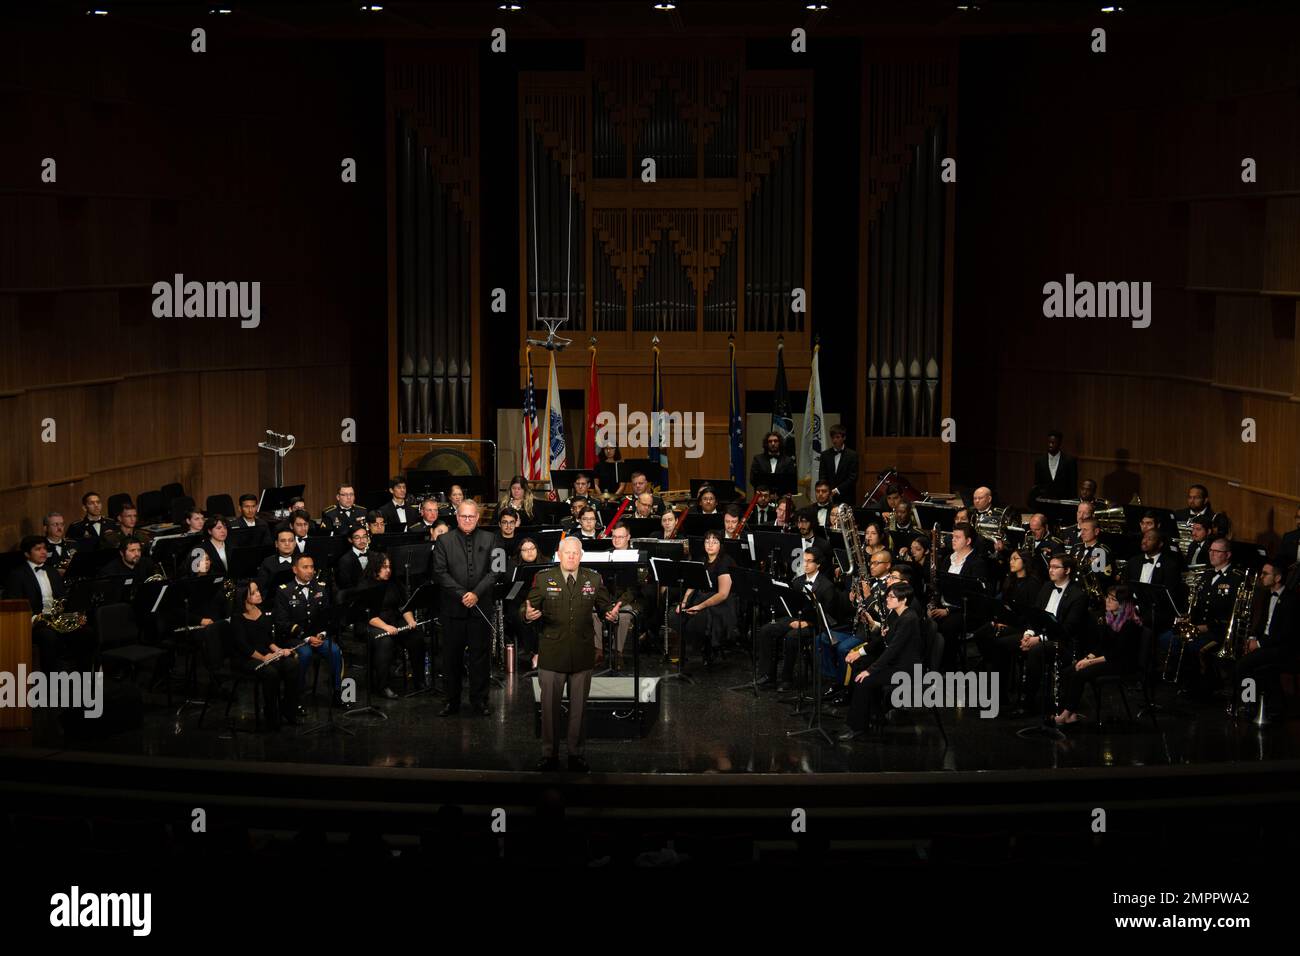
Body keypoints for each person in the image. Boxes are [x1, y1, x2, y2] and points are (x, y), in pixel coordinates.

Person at [523, 537, 621, 772]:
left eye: (575, 553)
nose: (571, 557)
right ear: (559, 553)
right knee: (549, 709)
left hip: (581, 653)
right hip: (552, 652)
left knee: (579, 709)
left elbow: (606, 607)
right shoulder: (544, 579)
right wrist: (527, 615)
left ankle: (576, 754)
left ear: (581, 555)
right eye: (567, 553)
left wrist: (611, 615)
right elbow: (526, 607)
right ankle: (550, 755)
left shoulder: (593, 579)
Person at [431, 500, 498, 716]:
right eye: (463, 516)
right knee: (451, 658)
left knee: (480, 657)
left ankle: (480, 701)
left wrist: (476, 593)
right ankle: (451, 701)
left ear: (478, 517)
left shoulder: (492, 539)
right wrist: (463, 595)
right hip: (452, 609)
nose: (467, 520)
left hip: (481, 608)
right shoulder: (443, 541)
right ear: (457, 517)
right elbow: (439, 573)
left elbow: (498, 570)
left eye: (471, 516)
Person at [838, 582, 924, 741]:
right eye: (888, 596)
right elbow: (882, 639)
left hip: (906, 668)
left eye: (892, 597)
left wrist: (871, 670)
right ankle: (874, 713)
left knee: (864, 680)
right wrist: (860, 653)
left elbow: (893, 650)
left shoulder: (909, 619)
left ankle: (857, 727)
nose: (887, 600)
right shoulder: (895, 614)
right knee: (859, 664)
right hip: (896, 661)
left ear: (903, 600)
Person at [1053, 585, 1142, 726]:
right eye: (1108, 597)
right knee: (1068, 671)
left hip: (1122, 663)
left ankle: (1065, 714)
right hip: (1109, 658)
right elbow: (1102, 645)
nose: (1107, 601)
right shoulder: (1110, 618)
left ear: (1123, 604)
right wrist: (1087, 658)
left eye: (1112, 599)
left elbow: (1116, 654)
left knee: (1079, 673)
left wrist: (1089, 663)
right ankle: (1070, 713)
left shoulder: (1130, 624)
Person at [755, 546, 840, 690]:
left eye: (809, 561)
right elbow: (791, 605)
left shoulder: (827, 586)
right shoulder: (798, 582)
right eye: (803, 561)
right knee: (766, 629)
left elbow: (828, 616)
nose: (805, 565)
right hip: (795, 617)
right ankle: (768, 675)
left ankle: (786, 678)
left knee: (792, 636)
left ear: (818, 564)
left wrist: (806, 623)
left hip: (814, 624)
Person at [5, 536, 93, 671]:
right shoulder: (17, 575)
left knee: (85, 632)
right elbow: (15, 605)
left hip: (56, 619)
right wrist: (36, 619)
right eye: (38, 549)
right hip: (35, 622)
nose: (43, 552)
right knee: (48, 637)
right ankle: (50, 681)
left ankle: (84, 678)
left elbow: (63, 598)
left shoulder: (52, 571)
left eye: (45, 549)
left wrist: (72, 615)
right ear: (27, 554)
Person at [273, 553, 345, 708]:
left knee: (335, 650)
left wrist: (322, 633)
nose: (310, 571)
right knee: (304, 654)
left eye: (312, 567)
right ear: (295, 569)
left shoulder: (320, 587)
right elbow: (282, 623)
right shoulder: (283, 591)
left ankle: (338, 693)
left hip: (318, 635)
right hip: (295, 637)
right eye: (305, 567)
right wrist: (306, 637)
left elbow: (326, 616)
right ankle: (296, 697)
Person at [1231, 559, 1298, 724]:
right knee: (1246, 662)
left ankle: (1250, 704)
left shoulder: (1292, 600)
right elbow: (1262, 623)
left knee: (1243, 665)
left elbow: (1286, 633)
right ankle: (1258, 703)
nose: (1261, 576)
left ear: (1278, 578)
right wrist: (1252, 638)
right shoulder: (1267, 595)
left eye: (1265, 574)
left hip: (1282, 648)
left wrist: (1259, 644)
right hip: (1266, 644)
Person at [230, 582, 301, 730]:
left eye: (258, 590)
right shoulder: (237, 618)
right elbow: (243, 647)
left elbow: (267, 639)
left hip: (265, 653)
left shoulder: (260, 611)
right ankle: (271, 712)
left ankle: (288, 708)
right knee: (271, 672)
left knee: (292, 664)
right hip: (246, 659)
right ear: (244, 597)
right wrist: (264, 658)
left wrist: (279, 650)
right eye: (254, 592)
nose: (259, 594)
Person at [360, 554, 428, 698]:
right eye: (384, 567)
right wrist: (386, 627)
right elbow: (369, 615)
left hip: (394, 620)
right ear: (375, 568)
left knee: (417, 637)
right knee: (385, 642)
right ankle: (382, 686)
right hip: (374, 623)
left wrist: (410, 620)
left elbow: (404, 605)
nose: (388, 570)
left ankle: (419, 680)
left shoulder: (394, 583)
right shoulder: (365, 585)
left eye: (389, 567)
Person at [668, 529, 736, 665]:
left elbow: (723, 594)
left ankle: (706, 649)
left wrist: (700, 606)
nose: (710, 545)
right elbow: (693, 583)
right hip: (700, 597)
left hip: (718, 604)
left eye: (714, 542)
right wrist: (685, 601)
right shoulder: (702, 559)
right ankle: (682, 650)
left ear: (720, 545)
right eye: (707, 541)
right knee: (673, 615)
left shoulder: (725, 562)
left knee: (697, 620)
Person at [1030, 430, 1078, 503]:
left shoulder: (1070, 461)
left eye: (1053, 443)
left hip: (1063, 502)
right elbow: (1037, 484)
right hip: (1045, 501)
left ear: (1059, 443)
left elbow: (1073, 485)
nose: (1050, 445)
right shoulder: (1040, 461)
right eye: (1049, 442)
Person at [818, 424, 859, 501]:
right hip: (828, 496)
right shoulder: (825, 455)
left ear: (844, 438)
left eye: (837, 437)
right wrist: (826, 491)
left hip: (846, 496)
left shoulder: (852, 455)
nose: (834, 440)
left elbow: (853, 477)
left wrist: (837, 490)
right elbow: (822, 475)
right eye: (833, 437)